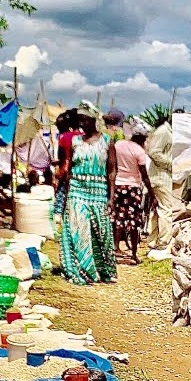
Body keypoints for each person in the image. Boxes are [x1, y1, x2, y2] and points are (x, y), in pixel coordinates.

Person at [58, 102, 117, 285]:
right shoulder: (76, 142)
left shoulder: (107, 141)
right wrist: (67, 197)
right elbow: (68, 171)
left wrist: (111, 197)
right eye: (80, 120)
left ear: (94, 120)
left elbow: (112, 171)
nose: (82, 123)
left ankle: (102, 270)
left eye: (85, 119)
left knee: (101, 232)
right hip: (77, 190)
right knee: (79, 230)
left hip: (99, 192)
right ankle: (81, 270)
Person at [110, 119, 155, 264]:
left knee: (118, 218)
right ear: (141, 137)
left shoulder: (119, 145)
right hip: (133, 188)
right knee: (135, 222)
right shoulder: (139, 152)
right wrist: (153, 195)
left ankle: (115, 248)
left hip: (118, 186)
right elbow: (144, 175)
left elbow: (113, 166)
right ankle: (134, 255)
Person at [144, 112, 175, 250]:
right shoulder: (164, 131)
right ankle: (163, 241)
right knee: (166, 209)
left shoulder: (168, 131)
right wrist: (170, 164)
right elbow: (154, 152)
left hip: (161, 176)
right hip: (161, 176)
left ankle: (153, 240)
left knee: (157, 210)